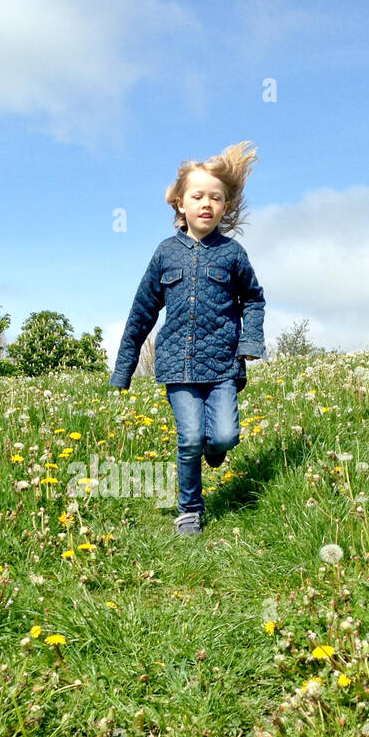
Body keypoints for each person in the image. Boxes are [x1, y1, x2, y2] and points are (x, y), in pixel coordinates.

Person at [109, 141, 266, 536]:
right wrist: (123, 370)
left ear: (225, 206)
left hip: (224, 365)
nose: (207, 204)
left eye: (216, 198)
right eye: (198, 196)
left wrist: (250, 344)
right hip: (177, 365)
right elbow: (142, 312)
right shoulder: (165, 254)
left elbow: (254, 299)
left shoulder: (233, 254)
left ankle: (216, 451)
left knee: (225, 436)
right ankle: (190, 510)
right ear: (180, 203)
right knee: (190, 438)